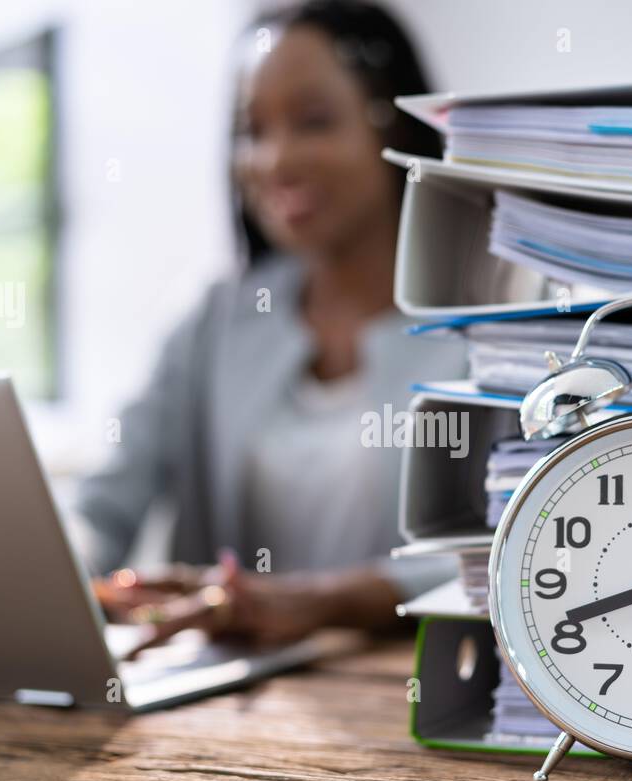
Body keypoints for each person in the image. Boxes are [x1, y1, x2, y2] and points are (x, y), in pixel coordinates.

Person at [70, 1, 465, 655]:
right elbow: (105, 502)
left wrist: (325, 602)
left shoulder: (495, 330)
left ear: (395, 124)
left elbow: (513, 554)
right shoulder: (217, 323)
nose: (274, 159)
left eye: (313, 121)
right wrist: (59, 575)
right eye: (251, 130)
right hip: (230, 712)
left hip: (416, 704)